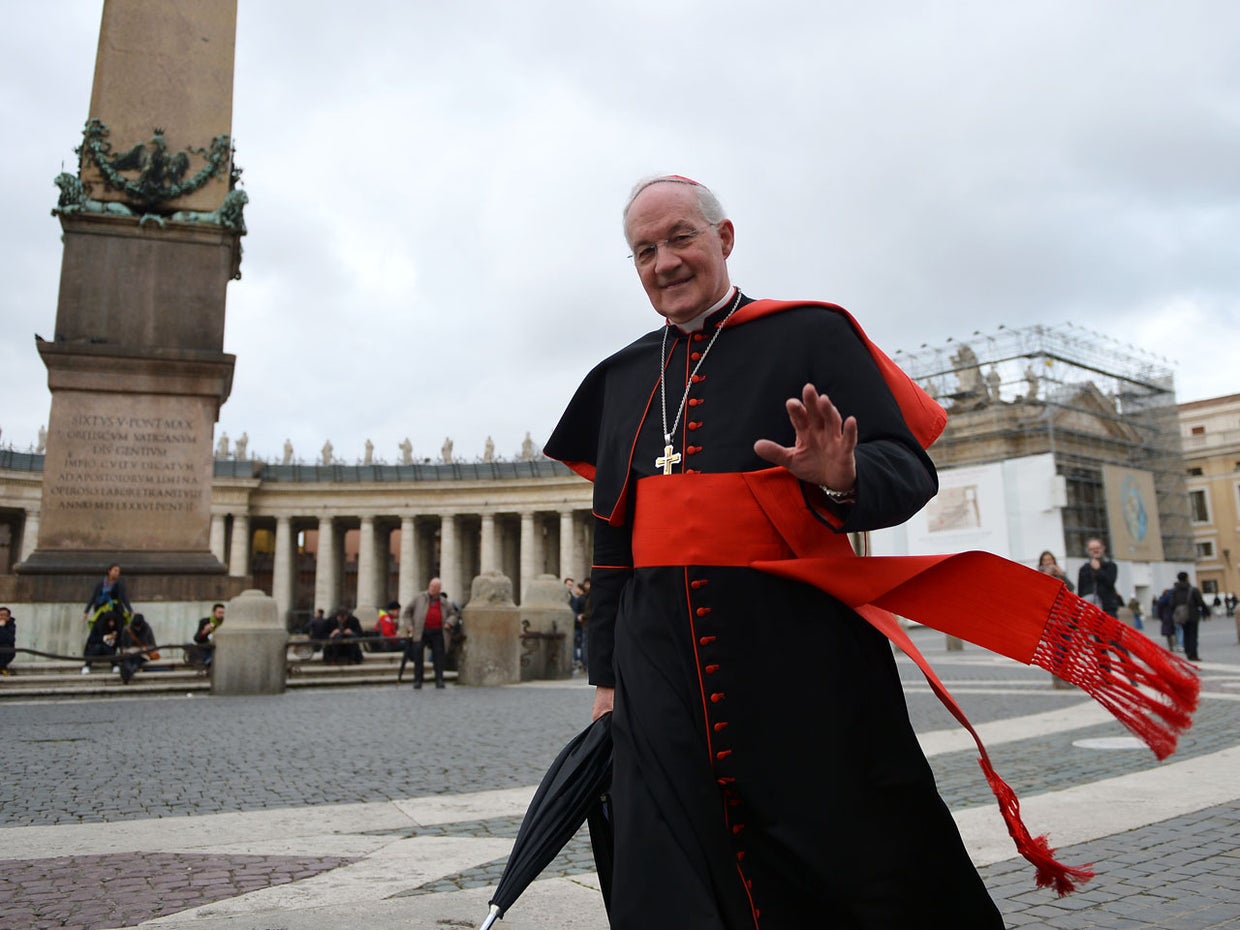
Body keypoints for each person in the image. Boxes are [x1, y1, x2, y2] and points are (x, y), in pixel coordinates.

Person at [544, 175, 1002, 927]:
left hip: (800, 657)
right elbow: (613, 539)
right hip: (657, 671)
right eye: (645, 250)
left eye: (682, 238)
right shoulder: (622, 378)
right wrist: (606, 678)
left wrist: (845, 476)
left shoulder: (811, 335)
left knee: (852, 857)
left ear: (724, 240)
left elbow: (910, 471)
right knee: (673, 866)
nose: (665, 262)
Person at [401, 577, 460, 689]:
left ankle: (439, 679)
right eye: (431, 586)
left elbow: (454, 614)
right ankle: (418, 680)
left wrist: (449, 623)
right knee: (418, 655)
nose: (432, 589)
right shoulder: (419, 598)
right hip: (421, 631)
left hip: (438, 631)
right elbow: (407, 612)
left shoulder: (444, 601)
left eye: (435, 587)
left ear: (439, 589)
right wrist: (409, 625)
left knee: (439, 656)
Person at [1169, 571, 1208, 662]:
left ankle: (1187, 652)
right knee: (1193, 635)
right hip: (1193, 615)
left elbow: (1171, 604)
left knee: (1185, 634)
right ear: (1187, 578)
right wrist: (1206, 612)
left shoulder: (1174, 591)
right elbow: (1200, 602)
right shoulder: (1192, 589)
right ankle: (1193, 654)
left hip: (1182, 616)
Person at [1077, 537, 1120, 617]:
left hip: (1107, 608)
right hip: (1090, 609)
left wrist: (1098, 570)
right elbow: (1081, 590)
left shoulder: (1111, 566)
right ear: (1088, 551)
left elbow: (1110, 582)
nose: (1095, 551)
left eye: (1097, 548)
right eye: (1092, 549)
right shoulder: (1084, 569)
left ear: (1103, 549)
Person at [83, 563, 133, 628]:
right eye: (115, 570)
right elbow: (93, 597)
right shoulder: (100, 584)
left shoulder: (119, 585)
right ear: (109, 571)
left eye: (118, 571)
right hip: (103, 612)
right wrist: (86, 611)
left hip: (116, 611)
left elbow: (124, 598)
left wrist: (130, 610)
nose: (117, 573)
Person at [119, 613, 157, 684]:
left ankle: (128, 673)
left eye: (139, 626)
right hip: (129, 652)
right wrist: (123, 649)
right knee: (127, 659)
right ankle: (129, 671)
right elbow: (122, 644)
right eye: (136, 626)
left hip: (142, 653)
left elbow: (153, 645)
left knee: (137, 660)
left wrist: (146, 649)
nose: (137, 628)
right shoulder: (126, 629)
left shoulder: (147, 629)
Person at [82, 609, 122, 673]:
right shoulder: (98, 626)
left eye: (113, 622)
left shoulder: (116, 628)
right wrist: (104, 638)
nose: (112, 624)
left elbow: (120, 641)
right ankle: (87, 666)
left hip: (109, 650)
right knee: (99, 647)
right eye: (110, 621)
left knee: (107, 648)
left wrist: (114, 641)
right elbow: (92, 639)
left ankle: (115, 665)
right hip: (96, 649)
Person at [189, 603, 225, 670]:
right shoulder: (205, 622)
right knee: (189, 645)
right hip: (207, 647)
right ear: (213, 613)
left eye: (223, 613)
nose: (221, 615)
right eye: (219, 613)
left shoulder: (226, 623)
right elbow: (197, 639)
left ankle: (208, 661)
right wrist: (204, 632)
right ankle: (206, 661)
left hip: (220, 649)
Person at [0, 607, 16, 676]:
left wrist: (2, 627)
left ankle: (2, 668)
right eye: (0, 615)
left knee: (5, 647)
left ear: (8, 617)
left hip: (7, 651)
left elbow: (9, 640)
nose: (2, 617)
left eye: (4, 615)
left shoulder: (11, 626)